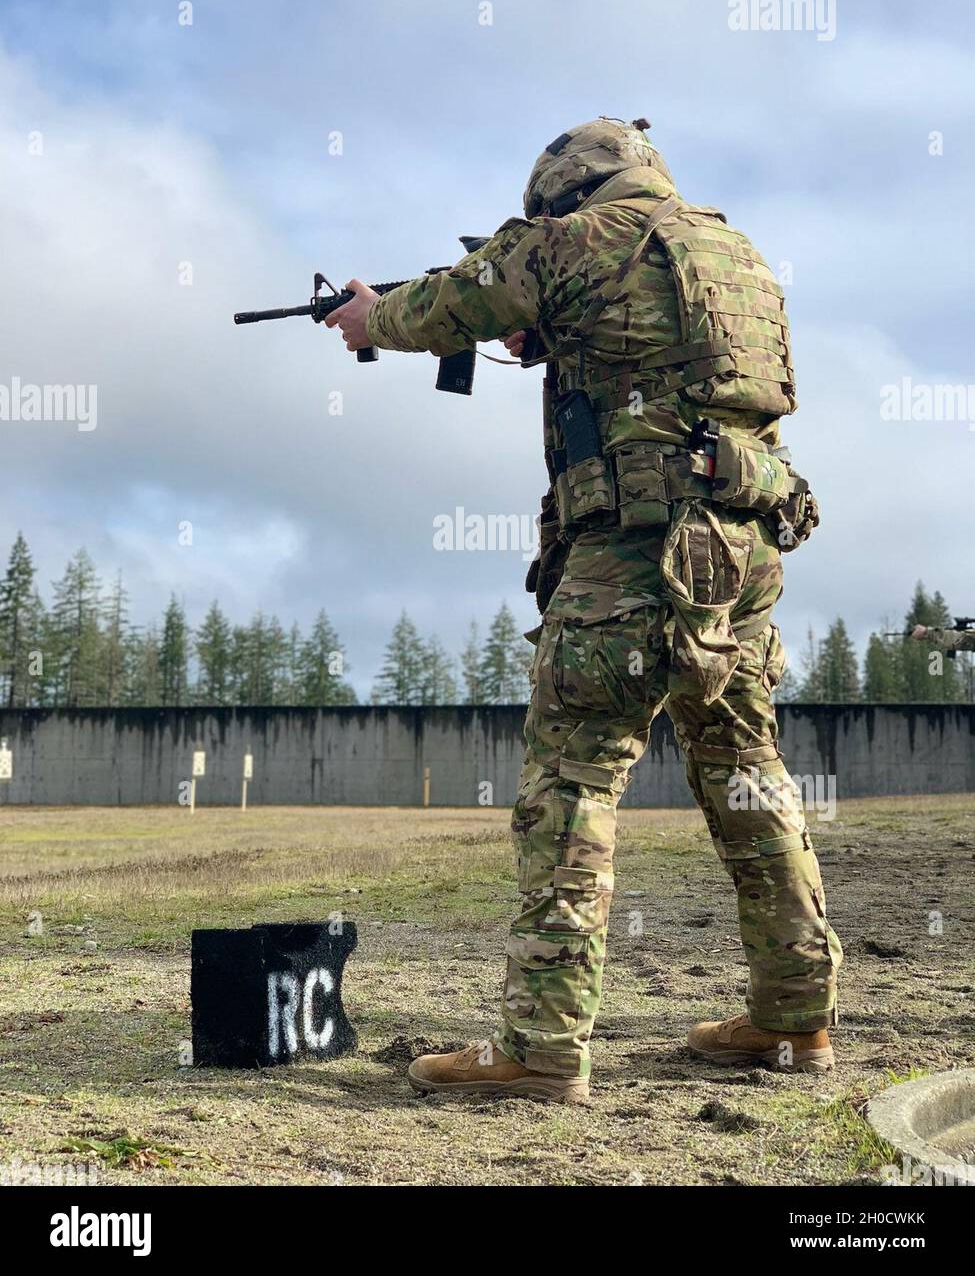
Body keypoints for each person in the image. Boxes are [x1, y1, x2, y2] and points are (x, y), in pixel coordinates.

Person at [326, 117, 842, 1102]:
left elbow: (440, 307)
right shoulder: (737, 254)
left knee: (572, 782)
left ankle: (541, 1047)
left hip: (631, 551)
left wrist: (368, 317)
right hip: (742, 549)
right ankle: (796, 1016)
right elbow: (681, 376)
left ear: (563, 196)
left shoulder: (566, 242)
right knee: (747, 773)